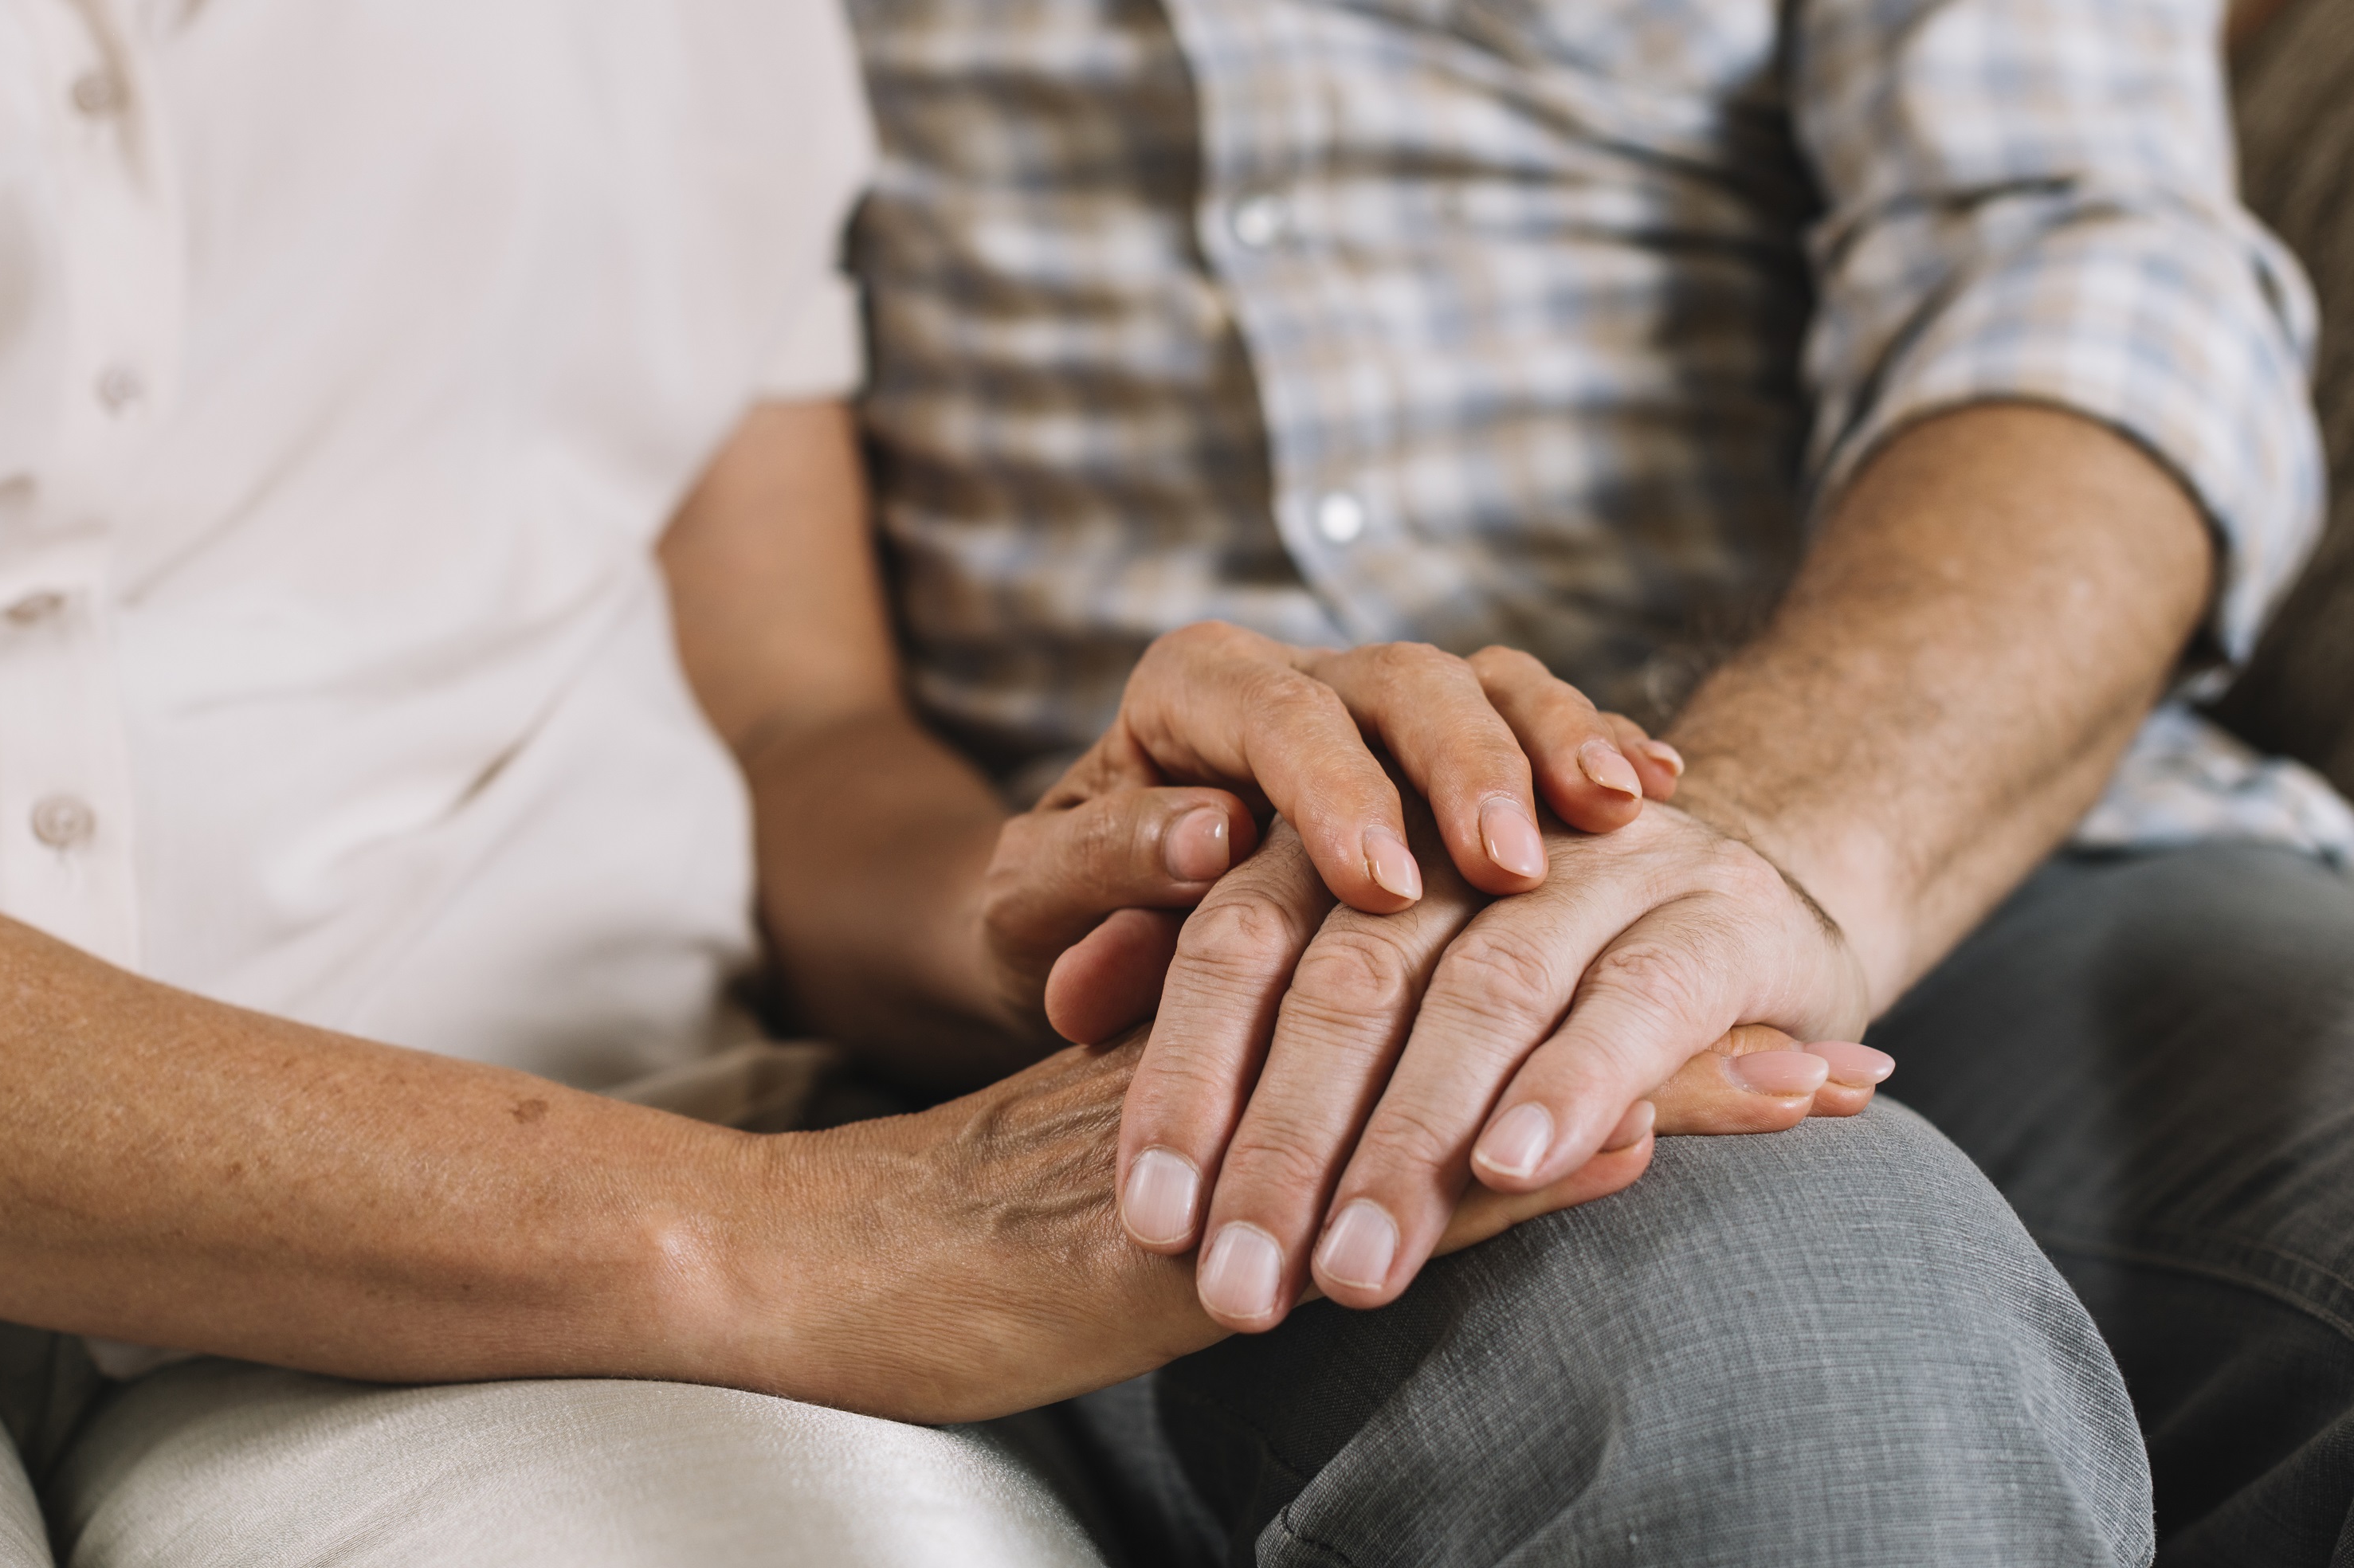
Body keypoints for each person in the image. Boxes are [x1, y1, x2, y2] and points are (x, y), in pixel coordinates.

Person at [0, 3, 2086, 1566]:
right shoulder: (736, 1239)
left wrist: (1143, 894)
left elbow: (788, 729)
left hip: (550, 1114)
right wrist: (757, 1248)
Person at [839, 0, 2354, 1560]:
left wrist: (1773, 832)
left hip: (1957, 813)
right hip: (1171, 974)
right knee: (1802, 1345)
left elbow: (2082, 270)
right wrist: (1068, 910)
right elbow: (788, 718)